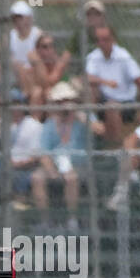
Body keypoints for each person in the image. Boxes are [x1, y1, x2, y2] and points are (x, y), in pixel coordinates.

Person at [32, 82, 89, 230]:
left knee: (71, 177)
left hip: (78, 164)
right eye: (60, 102)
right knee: (37, 177)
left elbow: (101, 131)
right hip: (55, 163)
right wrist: (51, 171)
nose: (63, 105)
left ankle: (72, 219)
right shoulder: (50, 124)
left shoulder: (84, 118)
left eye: (66, 101)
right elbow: (44, 151)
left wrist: (80, 115)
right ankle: (45, 220)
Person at [85, 26, 140, 147]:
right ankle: (93, 120)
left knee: (112, 107)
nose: (102, 43)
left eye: (105, 39)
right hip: (103, 100)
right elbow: (88, 78)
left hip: (126, 103)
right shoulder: (94, 56)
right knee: (90, 88)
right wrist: (105, 82)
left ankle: (113, 147)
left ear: (112, 39)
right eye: (98, 40)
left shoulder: (123, 56)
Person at [7, 1, 43, 96]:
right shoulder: (11, 35)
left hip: (33, 70)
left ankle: (26, 94)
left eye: (20, 18)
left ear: (28, 18)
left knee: (26, 69)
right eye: (15, 19)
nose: (18, 22)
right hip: (15, 72)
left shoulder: (37, 34)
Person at [26, 33, 71, 107]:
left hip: (60, 97)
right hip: (41, 100)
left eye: (51, 46)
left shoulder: (58, 63)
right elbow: (34, 88)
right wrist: (38, 64)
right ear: (38, 50)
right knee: (37, 92)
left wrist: (38, 64)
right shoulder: (32, 67)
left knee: (49, 92)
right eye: (45, 47)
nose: (49, 50)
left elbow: (51, 82)